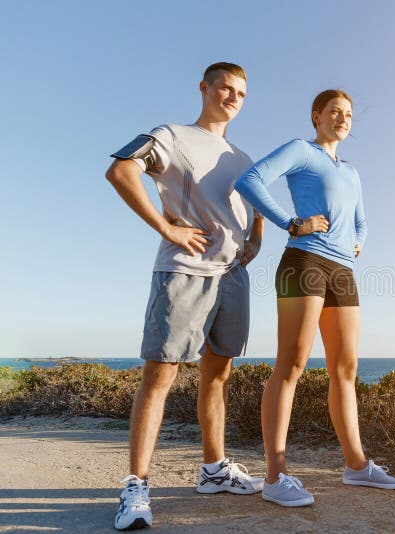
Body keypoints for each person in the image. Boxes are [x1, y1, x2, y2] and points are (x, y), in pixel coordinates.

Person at [105, 62, 265, 530]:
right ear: (205, 88)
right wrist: (166, 226)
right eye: (225, 88)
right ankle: (136, 485)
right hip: (184, 271)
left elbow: (254, 206)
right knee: (160, 376)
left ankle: (214, 471)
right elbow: (120, 172)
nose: (233, 97)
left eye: (241, 92)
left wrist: (254, 242)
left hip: (231, 278)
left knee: (218, 375)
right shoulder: (172, 135)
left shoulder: (244, 156)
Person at [234, 89, 395, 508]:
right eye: (334, 112)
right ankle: (275, 476)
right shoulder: (301, 151)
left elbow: (362, 221)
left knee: (345, 369)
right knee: (290, 365)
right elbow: (249, 180)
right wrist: (292, 223)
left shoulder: (351, 171)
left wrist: (358, 243)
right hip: (304, 261)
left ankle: (356, 466)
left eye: (348, 114)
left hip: (342, 271)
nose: (343, 119)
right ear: (317, 116)